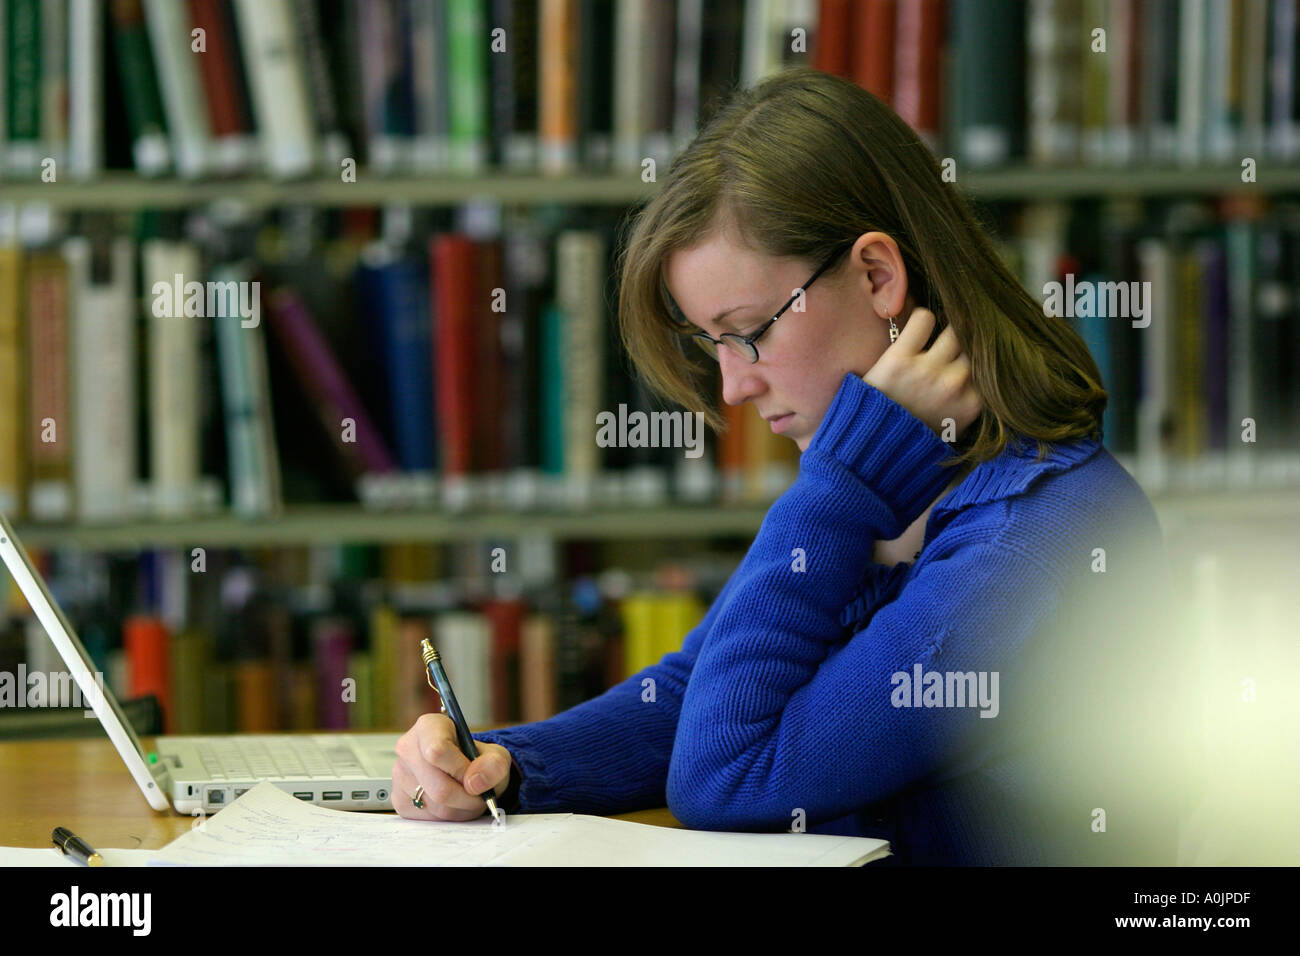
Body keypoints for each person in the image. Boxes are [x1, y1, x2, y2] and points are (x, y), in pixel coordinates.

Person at [390, 67, 1185, 865]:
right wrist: (499, 765)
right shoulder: (910, 478)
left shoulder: (1031, 535)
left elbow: (725, 772)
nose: (735, 388)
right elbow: (692, 695)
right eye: (715, 346)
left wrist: (838, 488)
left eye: (748, 333)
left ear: (877, 276)